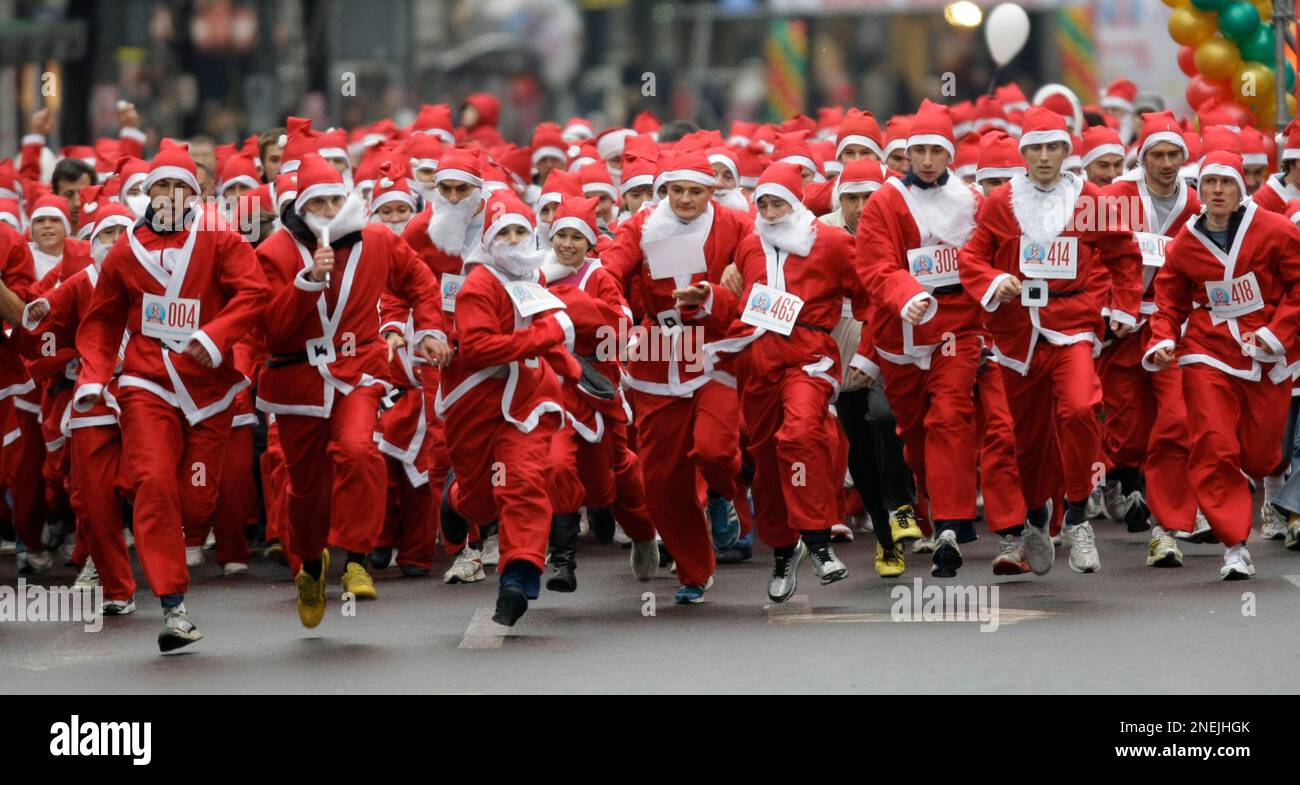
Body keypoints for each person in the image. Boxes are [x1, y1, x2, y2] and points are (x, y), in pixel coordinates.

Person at [71, 140, 271, 652]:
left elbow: (254, 294)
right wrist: (94, 377)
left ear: (195, 192)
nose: (168, 195)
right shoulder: (125, 250)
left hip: (208, 387)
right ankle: (172, 607)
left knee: (198, 502)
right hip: (146, 383)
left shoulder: (221, 237)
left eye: (178, 186)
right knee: (153, 481)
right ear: (147, 193)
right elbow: (100, 322)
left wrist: (215, 334)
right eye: (158, 186)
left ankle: (188, 542)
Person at [254, 153, 447, 626]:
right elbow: (269, 333)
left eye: (335, 200)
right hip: (297, 379)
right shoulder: (274, 253)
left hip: (358, 368)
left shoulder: (378, 239)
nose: (328, 209)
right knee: (306, 487)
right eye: (317, 202)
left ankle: (359, 558)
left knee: (361, 450)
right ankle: (311, 565)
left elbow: (422, 283)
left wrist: (430, 331)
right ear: (300, 208)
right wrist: (306, 283)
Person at [957, 107, 1144, 576]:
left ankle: (1078, 515)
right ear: (1023, 153)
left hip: (1073, 321)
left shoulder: (1093, 198)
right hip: (1018, 333)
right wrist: (994, 279)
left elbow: (1124, 254)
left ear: (1066, 151)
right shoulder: (1001, 201)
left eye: (1052, 147)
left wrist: (1123, 308)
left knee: (1080, 409)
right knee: (1028, 439)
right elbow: (972, 257)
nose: (1044, 157)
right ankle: (1037, 514)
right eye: (1035, 148)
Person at [704, 163, 865, 600]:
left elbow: (866, 291)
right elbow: (738, 304)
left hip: (809, 357)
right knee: (767, 458)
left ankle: (817, 544)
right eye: (765, 203)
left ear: (797, 202)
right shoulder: (750, 244)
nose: (772, 211)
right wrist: (710, 296)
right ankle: (781, 549)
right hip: (758, 361)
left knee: (799, 434)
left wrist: (871, 349)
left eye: (780, 203)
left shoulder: (830, 242)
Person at [600, 151, 749, 604]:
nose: (685, 199)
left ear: (712, 191)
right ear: (665, 190)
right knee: (663, 482)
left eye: (696, 191)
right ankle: (694, 571)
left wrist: (717, 295)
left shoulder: (737, 226)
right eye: (676, 190)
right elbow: (610, 268)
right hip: (658, 356)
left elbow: (761, 279)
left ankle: (724, 494)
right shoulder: (640, 225)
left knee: (715, 447)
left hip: (714, 352)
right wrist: (616, 310)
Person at [1144, 151, 1300, 579]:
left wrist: (1279, 332)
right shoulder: (1185, 244)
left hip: (1265, 354)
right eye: (1209, 182)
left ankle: (1254, 478)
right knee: (1215, 445)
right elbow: (1170, 300)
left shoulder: (1276, 230)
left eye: (1225, 183)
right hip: (1206, 349)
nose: (1216, 191)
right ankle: (1234, 545)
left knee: (1263, 452)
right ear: (1199, 189)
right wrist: (1162, 340)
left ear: (1240, 189)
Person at [435, 190, 583, 625]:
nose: (515, 240)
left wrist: (570, 368)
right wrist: (549, 338)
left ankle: (517, 577)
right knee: (481, 502)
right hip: (476, 403)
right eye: (506, 232)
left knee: (521, 483)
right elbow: (481, 348)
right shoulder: (478, 284)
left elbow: (544, 332)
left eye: (522, 231)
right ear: (491, 238)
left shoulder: (531, 278)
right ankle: (455, 498)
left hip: (528, 402)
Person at [855, 100, 989, 577]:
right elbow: (874, 264)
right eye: (920, 151)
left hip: (957, 323)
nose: (928, 160)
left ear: (949, 154)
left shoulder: (973, 201)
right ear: (908, 154)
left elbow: (991, 254)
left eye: (936, 150)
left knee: (950, 416)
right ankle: (931, 506)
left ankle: (951, 526)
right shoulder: (885, 201)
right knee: (914, 432)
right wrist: (905, 293)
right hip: (901, 331)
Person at [1099, 111, 1203, 566]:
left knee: (1176, 421)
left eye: (1172, 154)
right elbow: (1089, 255)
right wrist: (1107, 309)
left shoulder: (1196, 206)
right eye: (1156, 155)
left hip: (1169, 327)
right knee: (1127, 438)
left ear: (1183, 157)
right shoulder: (1115, 196)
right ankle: (1116, 474)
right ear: (1142, 159)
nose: (1165, 163)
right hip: (1119, 329)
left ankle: (1168, 527)